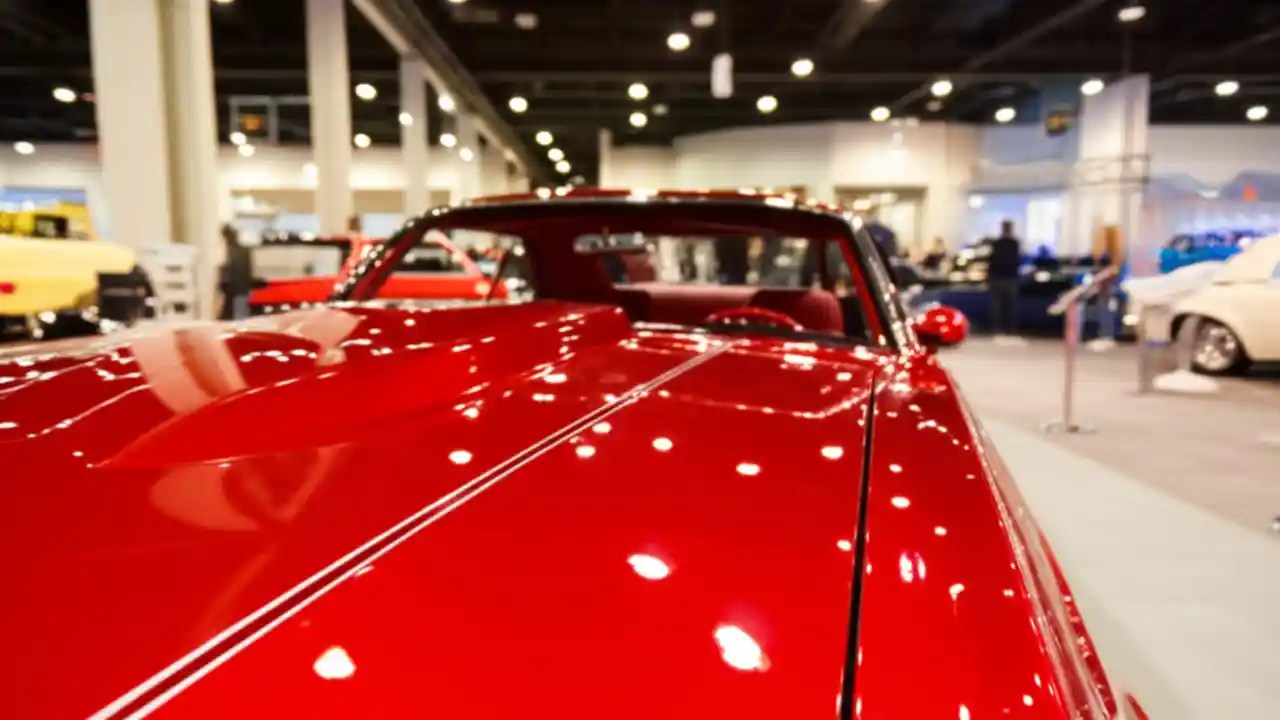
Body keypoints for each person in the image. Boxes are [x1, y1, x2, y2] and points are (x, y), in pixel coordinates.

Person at [987, 220, 1023, 338]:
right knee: (1010, 306)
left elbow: (992, 261)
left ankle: (997, 328)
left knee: (997, 305)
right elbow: (1017, 261)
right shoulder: (1015, 244)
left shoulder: (996, 243)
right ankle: (1010, 329)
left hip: (997, 278)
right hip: (1011, 278)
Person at [217, 224, 254, 320]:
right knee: (240, 315)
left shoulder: (232, 251)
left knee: (234, 317)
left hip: (234, 289)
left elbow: (230, 270)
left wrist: (222, 278)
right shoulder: (245, 251)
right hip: (242, 288)